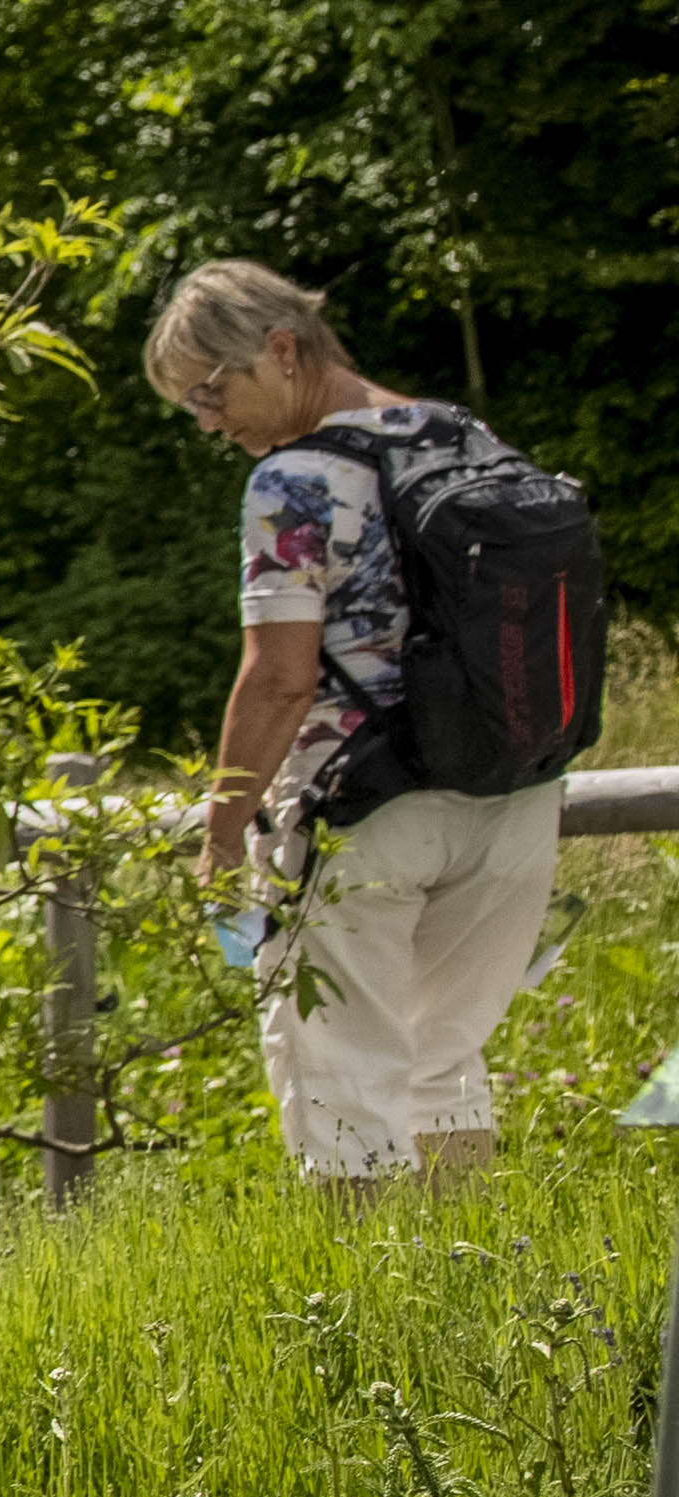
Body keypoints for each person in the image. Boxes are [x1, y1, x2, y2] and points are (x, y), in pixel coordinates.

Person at [150, 257, 576, 1183]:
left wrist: (222, 833)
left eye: (210, 392)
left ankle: (367, 1279)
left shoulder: (293, 481)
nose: (209, 422)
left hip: (363, 812)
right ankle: (470, 1269)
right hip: (512, 796)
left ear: (282, 350)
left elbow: (278, 680)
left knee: (341, 1089)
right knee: (444, 1067)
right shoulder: (463, 434)